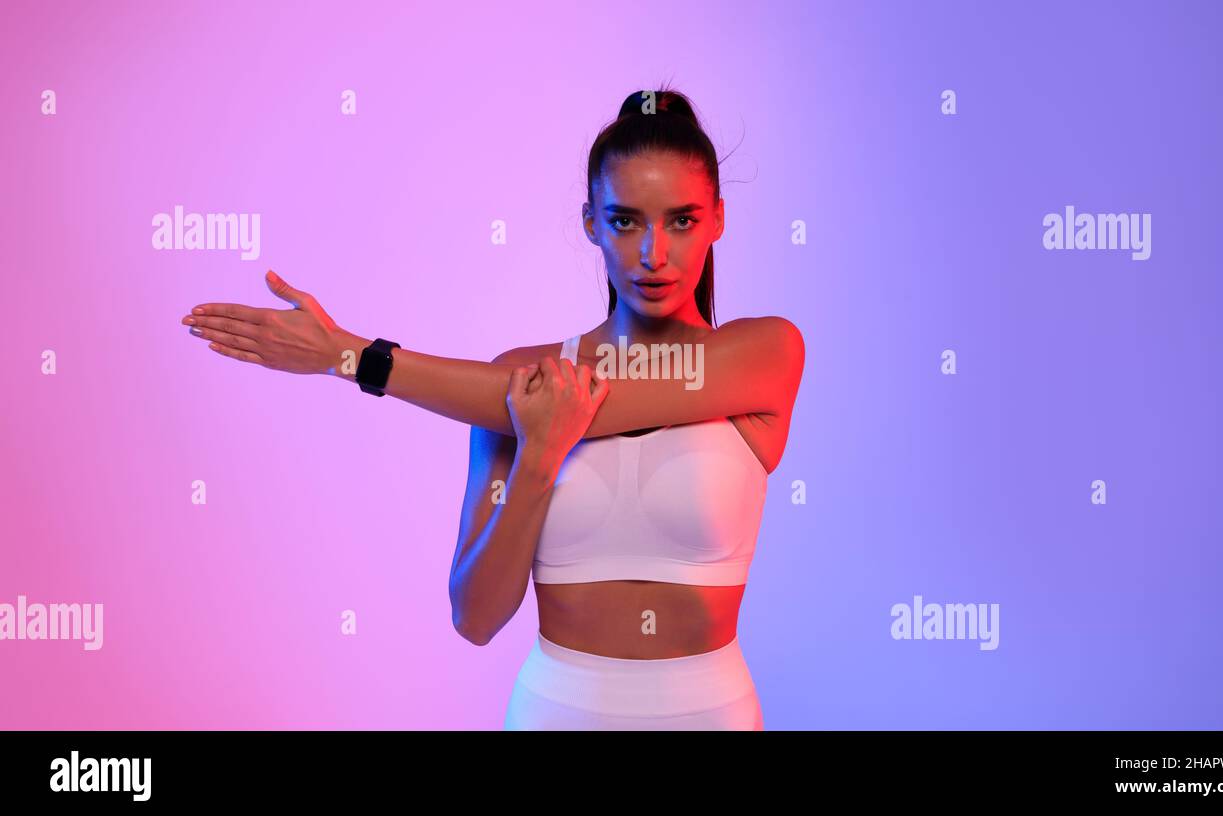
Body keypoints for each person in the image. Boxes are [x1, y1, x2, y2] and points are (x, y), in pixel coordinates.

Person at [179, 88, 805, 730]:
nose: (653, 254)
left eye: (682, 219)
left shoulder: (763, 353)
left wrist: (349, 355)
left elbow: (586, 398)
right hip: (557, 711)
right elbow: (475, 618)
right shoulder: (517, 376)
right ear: (590, 220)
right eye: (625, 221)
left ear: (719, 218)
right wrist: (538, 454)